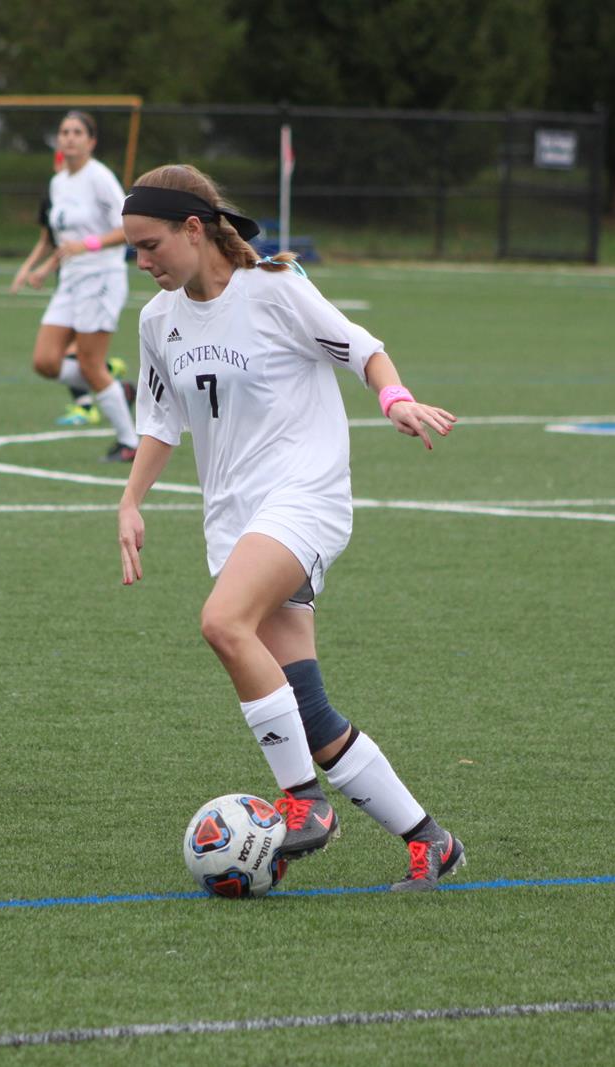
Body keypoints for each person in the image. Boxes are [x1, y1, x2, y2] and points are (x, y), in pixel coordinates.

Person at [116, 165, 465, 891]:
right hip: (235, 521)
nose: (142, 263)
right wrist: (131, 500)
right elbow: (160, 418)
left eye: (150, 246)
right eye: (133, 250)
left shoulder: (274, 289)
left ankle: (305, 804)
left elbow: (361, 346)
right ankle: (430, 840)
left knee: (221, 622)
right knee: (308, 711)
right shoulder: (159, 321)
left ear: (193, 227)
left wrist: (394, 397)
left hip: (304, 498)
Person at [9, 110, 139, 461]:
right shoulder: (58, 182)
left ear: (91, 141)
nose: (69, 137)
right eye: (64, 131)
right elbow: (62, 239)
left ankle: (130, 443)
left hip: (101, 278)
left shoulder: (99, 178)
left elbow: (128, 228)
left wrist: (90, 245)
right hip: (70, 279)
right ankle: (115, 387)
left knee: (89, 363)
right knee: (46, 361)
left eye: (77, 132)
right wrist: (44, 267)